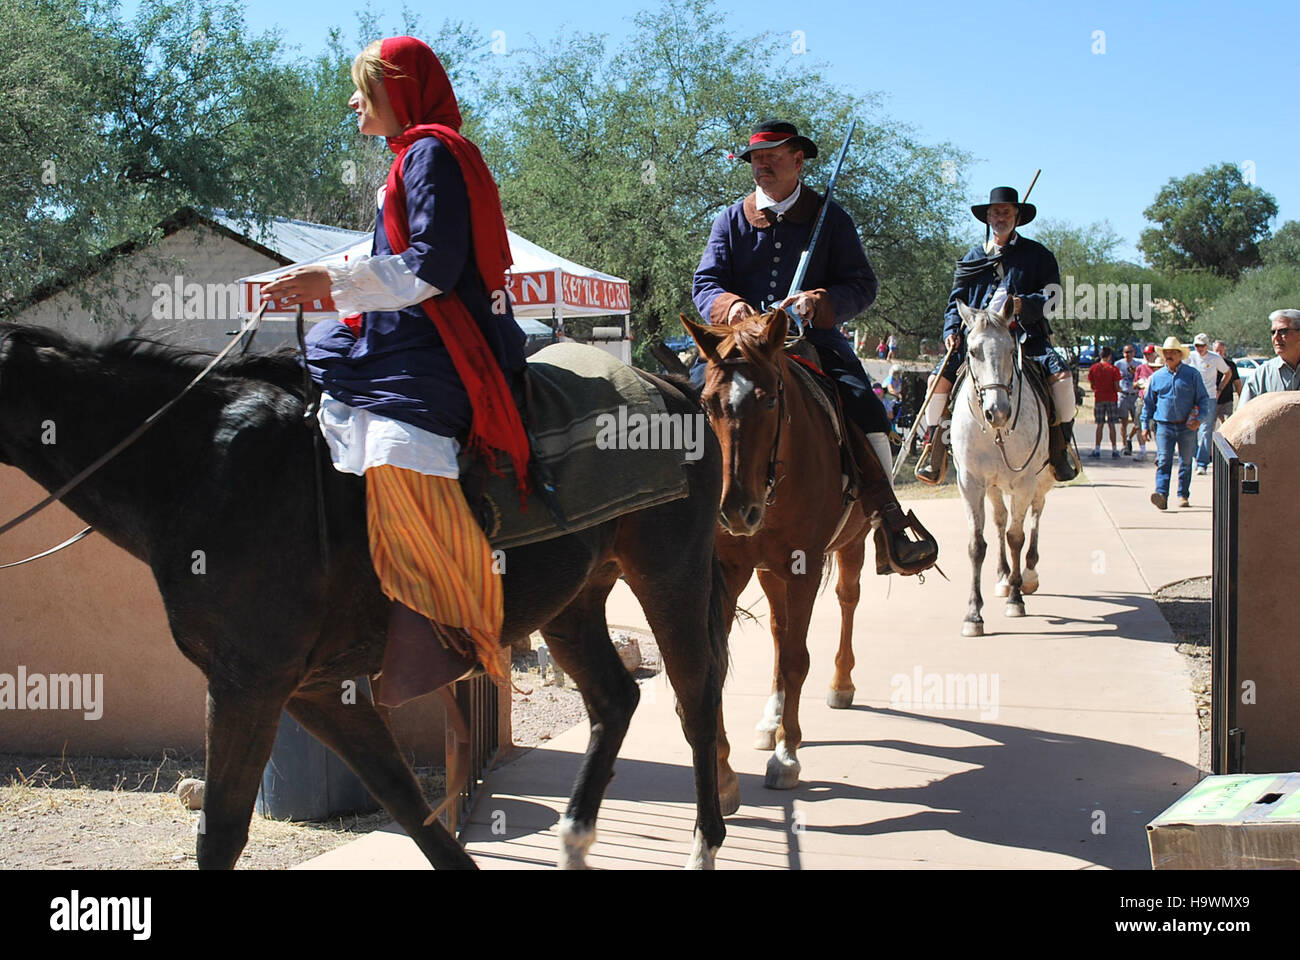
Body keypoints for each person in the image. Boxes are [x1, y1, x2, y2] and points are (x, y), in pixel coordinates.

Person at [262, 36, 527, 703]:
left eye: (365, 88)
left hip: (441, 342)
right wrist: (325, 283)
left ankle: (461, 619)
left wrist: (332, 280)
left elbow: (434, 269)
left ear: (399, 92)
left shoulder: (432, 152)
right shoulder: (409, 158)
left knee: (395, 446)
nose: (354, 100)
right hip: (400, 332)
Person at [692, 120, 937, 574]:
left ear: (798, 160)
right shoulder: (730, 219)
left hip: (813, 341)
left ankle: (886, 519)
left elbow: (862, 285)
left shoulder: (831, 218)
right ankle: (672, 516)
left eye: (772, 156)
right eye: (756, 159)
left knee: (867, 410)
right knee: (690, 402)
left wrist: (817, 302)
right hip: (742, 346)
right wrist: (730, 307)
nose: (761, 165)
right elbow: (705, 283)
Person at [915, 186, 1078, 484]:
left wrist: (1024, 305)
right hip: (976, 339)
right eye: (996, 212)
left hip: (1027, 337)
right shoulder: (972, 257)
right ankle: (933, 449)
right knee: (936, 382)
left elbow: (1053, 297)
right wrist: (952, 330)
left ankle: (1059, 449)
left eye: (1006, 211)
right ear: (988, 217)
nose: (1001, 217)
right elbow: (955, 301)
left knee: (1063, 380)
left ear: (1017, 217)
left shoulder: (1038, 255)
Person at [1141, 337, 1211, 510]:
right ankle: (1162, 494)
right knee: (1164, 460)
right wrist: (1144, 425)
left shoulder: (1192, 374)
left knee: (1186, 462)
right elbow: (1149, 403)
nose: (1169, 355)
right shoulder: (1157, 377)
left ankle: (1183, 494)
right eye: (1166, 352)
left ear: (1180, 355)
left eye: (1173, 352)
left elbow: (1203, 399)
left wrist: (1199, 419)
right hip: (1164, 426)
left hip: (1187, 426)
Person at [1184, 332, 1231, 474]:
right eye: (1197, 346)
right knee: (1191, 428)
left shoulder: (1215, 358)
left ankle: (1203, 463)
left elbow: (1227, 372)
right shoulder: (1190, 357)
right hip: (1192, 398)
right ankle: (1194, 458)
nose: (1199, 348)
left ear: (1207, 346)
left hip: (1209, 397)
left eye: (1202, 346)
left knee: (1206, 430)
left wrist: (1220, 389)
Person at [1240, 309, 1300, 402]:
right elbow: (1244, 415)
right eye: (1273, 332)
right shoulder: (1260, 376)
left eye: (1283, 331)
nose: (1276, 337)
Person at [1087, 345, 1122, 458]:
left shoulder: (1094, 368)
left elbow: (1092, 385)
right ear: (1109, 356)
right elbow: (1116, 386)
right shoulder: (1113, 369)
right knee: (1112, 425)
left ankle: (1097, 449)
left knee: (1099, 424)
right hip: (1111, 398)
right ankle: (1114, 449)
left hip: (1099, 398)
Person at [1113, 343, 1142, 457]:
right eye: (1126, 352)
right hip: (1124, 395)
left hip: (1135, 395)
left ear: (1134, 353)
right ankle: (1125, 445)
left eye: (1130, 352)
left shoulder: (1138, 364)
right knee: (1123, 422)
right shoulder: (1118, 364)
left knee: (1137, 422)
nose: (1128, 354)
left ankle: (1130, 438)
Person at [1212, 339, 1241, 423]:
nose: (1218, 353)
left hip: (1227, 400)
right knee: (1210, 426)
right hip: (1213, 400)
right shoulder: (1209, 365)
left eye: (1221, 351)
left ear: (1225, 351)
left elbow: (1237, 383)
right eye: (1216, 350)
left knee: (1227, 424)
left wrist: (1242, 399)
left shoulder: (1230, 365)